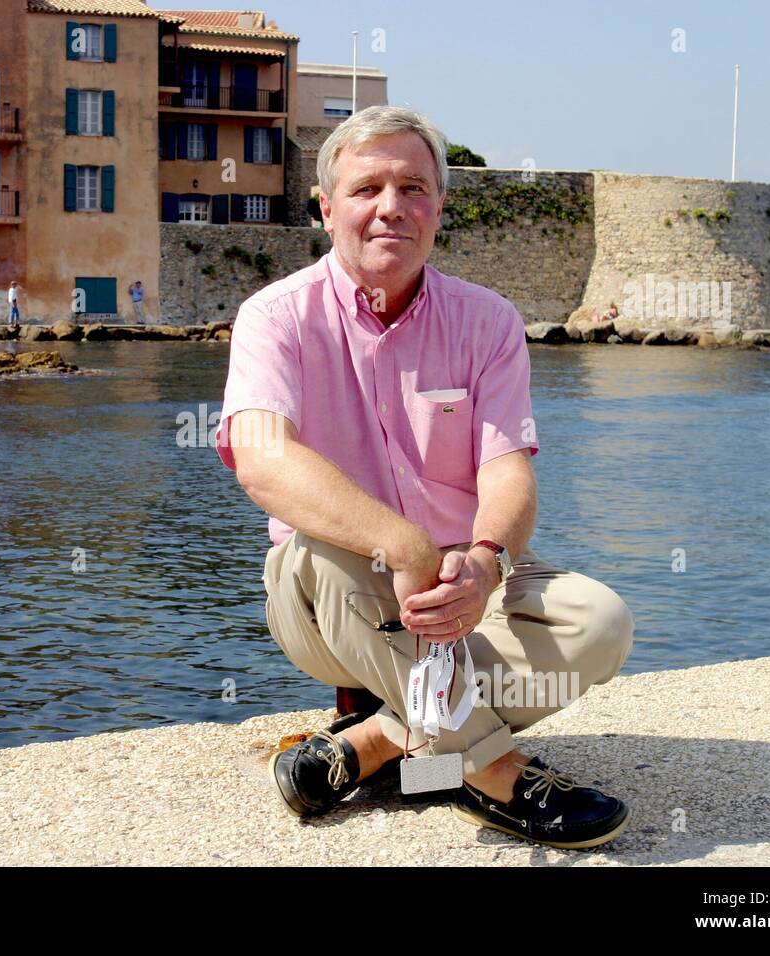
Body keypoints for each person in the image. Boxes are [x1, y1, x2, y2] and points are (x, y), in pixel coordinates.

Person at [215, 105, 636, 849]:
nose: (391, 208)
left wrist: (485, 560)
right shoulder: (272, 317)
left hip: (460, 585)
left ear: (438, 205)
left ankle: (374, 743)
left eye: (413, 187)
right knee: (328, 552)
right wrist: (406, 547)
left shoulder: (489, 322)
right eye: (367, 187)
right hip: (328, 594)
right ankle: (493, 769)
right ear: (326, 206)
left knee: (599, 623)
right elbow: (262, 458)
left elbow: (506, 470)